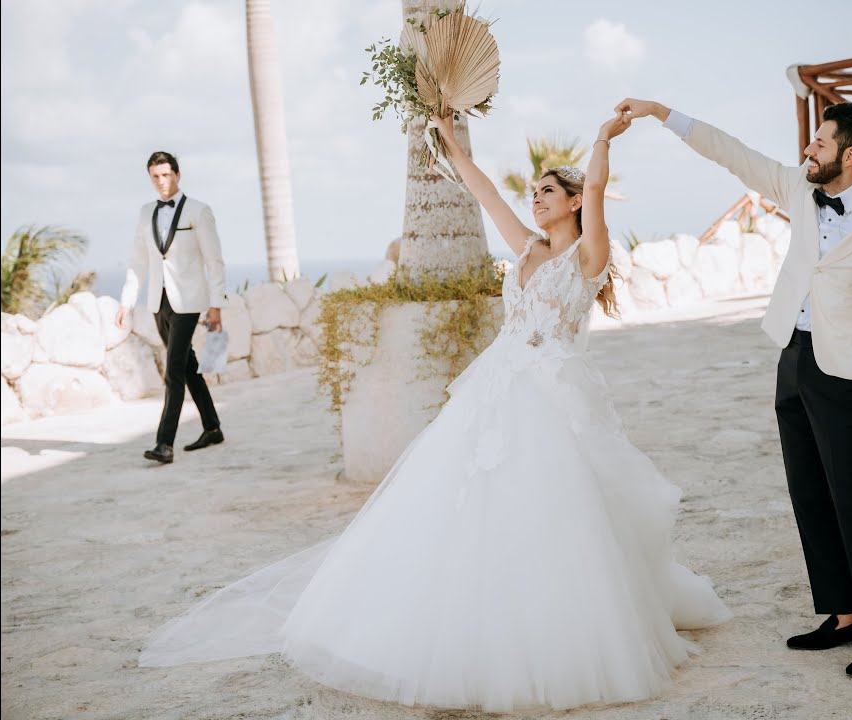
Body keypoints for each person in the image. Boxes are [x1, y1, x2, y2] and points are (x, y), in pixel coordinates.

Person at [137, 112, 732, 712]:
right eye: (536, 191)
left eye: (549, 191)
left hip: (552, 399)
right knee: (463, 504)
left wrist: (603, 138)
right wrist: (449, 139)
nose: (536, 199)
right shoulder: (526, 248)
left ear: (575, 202)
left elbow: (598, 185)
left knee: (555, 511)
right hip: (496, 389)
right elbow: (485, 193)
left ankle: (560, 627)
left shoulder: (587, 255)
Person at [615, 97, 852, 677]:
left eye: (820, 142)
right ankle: (845, 613)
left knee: (851, 500)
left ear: (850, 156)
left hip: (842, 372)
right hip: (793, 355)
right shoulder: (797, 187)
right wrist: (663, 113)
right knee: (807, 493)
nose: (808, 149)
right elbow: (733, 154)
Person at [116, 151, 228, 465]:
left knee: (174, 370)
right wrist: (127, 302)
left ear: (177, 175)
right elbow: (138, 261)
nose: (161, 181)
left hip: (189, 301)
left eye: (166, 175)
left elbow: (214, 260)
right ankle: (212, 428)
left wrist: (216, 304)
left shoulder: (199, 211)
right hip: (158, 301)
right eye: (155, 176)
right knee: (187, 366)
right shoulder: (145, 213)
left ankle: (164, 443)